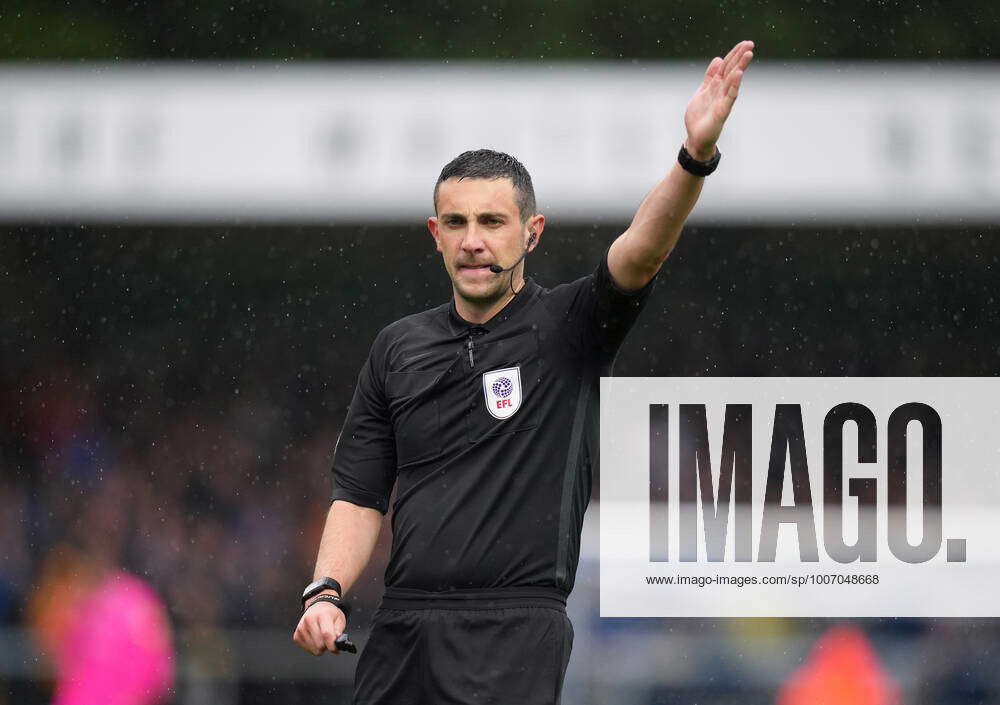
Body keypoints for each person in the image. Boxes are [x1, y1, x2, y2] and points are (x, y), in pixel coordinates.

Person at [293, 39, 755, 703]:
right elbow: (361, 493)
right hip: (403, 624)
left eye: (491, 221)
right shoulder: (397, 347)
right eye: (455, 222)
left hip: (515, 625)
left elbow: (641, 251)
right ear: (435, 233)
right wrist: (326, 590)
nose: (472, 239)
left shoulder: (571, 326)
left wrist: (694, 157)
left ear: (531, 232)